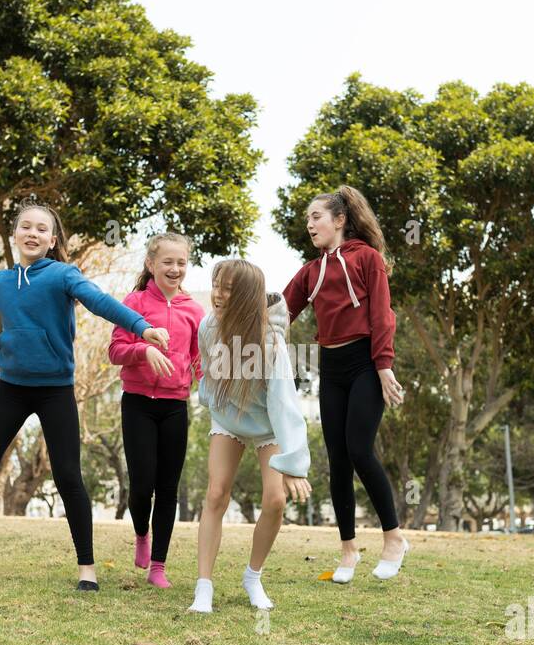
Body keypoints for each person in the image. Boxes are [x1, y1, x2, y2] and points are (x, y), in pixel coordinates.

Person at [0, 201, 170, 591]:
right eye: (26, 227)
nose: (33, 234)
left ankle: (87, 569)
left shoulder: (63, 275)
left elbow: (100, 302)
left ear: (52, 240)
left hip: (55, 390)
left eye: (42, 229)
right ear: (15, 234)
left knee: (69, 475)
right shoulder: (2, 282)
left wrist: (142, 327)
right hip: (12, 390)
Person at [282, 185, 408, 583]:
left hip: (365, 364)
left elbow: (382, 314)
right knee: (337, 460)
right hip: (330, 366)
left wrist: (384, 365)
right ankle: (348, 550)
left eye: (315, 217)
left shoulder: (368, 259)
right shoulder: (310, 271)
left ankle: (393, 539)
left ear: (339, 220)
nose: (310, 225)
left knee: (358, 449)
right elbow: (280, 312)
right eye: (307, 220)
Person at [191, 259, 311, 613]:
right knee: (216, 493)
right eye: (216, 284)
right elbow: (208, 371)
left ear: (245, 295)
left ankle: (253, 576)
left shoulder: (270, 342)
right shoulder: (208, 326)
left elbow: (284, 403)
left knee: (275, 500)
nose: (218, 293)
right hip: (228, 418)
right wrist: (211, 400)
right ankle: (204, 586)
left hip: (267, 425)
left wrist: (293, 461)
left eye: (228, 288)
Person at [108, 233, 205, 589]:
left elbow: (199, 360)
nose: (175, 269)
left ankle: (158, 566)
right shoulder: (133, 302)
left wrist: (209, 389)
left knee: (168, 488)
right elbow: (116, 350)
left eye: (181, 262)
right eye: (168, 262)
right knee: (142, 484)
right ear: (151, 265)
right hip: (137, 403)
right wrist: (142, 350)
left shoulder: (195, 311)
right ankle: (140, 534)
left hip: (175, 406)